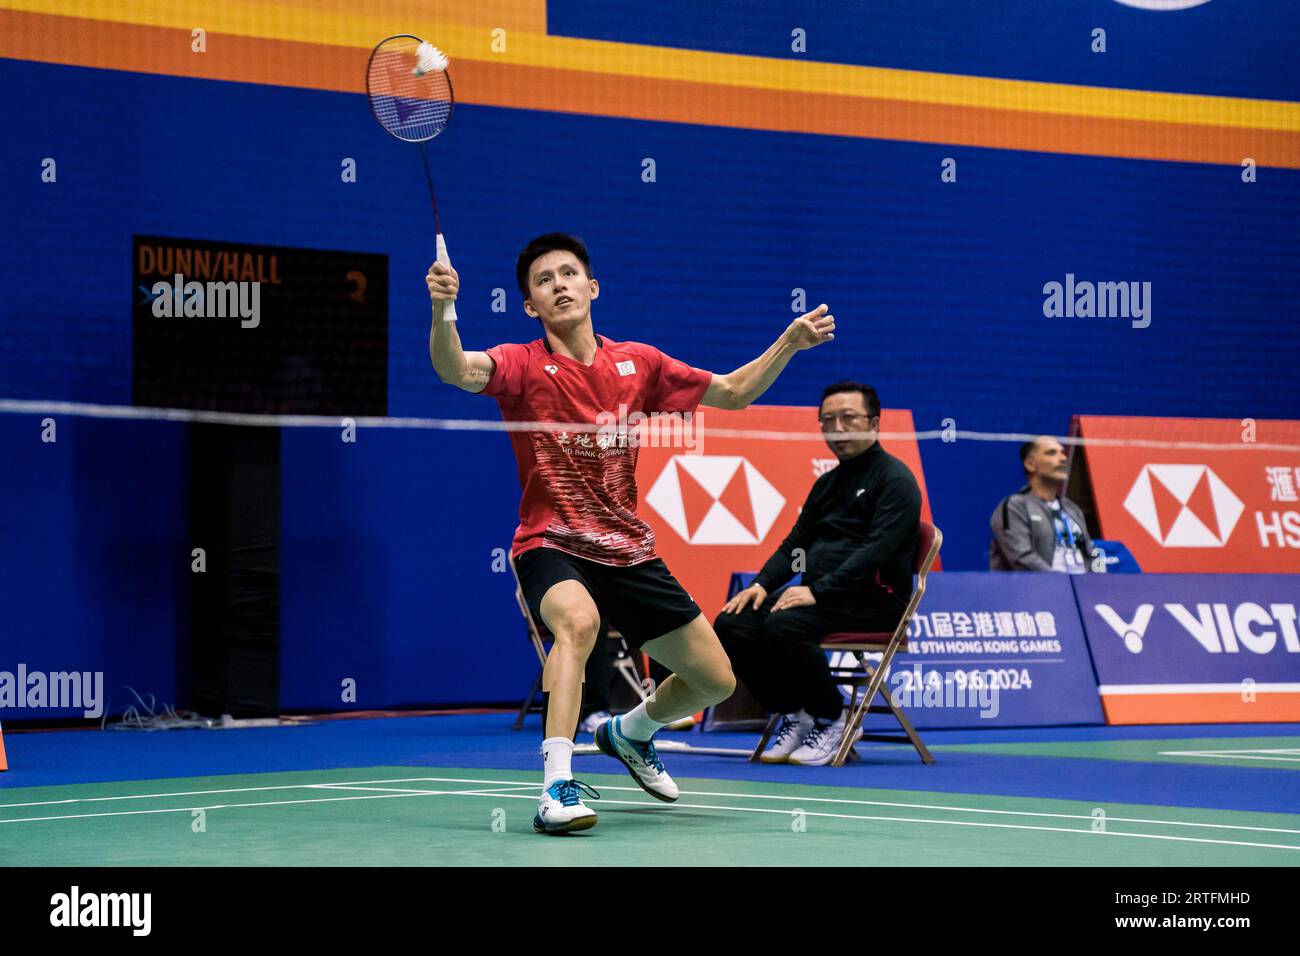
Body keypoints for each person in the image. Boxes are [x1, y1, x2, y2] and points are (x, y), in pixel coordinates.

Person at [427, 232, 836, 832]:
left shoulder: (638, 364)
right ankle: (556, 785)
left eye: (569, 274)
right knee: (578, 623)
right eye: (544, 281)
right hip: (552, 541)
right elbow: (454, 369)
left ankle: (630, 732)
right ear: (530, 307)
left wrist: (789, 343)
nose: (559, 284)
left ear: (593, 288)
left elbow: (733, 393)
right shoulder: (521, 364)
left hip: (627, 548)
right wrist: (444, 309)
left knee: (715, 680)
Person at [714, 382, 921, 766]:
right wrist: (762, 584)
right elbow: (797, 546)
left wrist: (818, 591)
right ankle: (796, 712)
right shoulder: (827, 484)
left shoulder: (895, 481)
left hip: (875, 602)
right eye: (828, 420)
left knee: (784, 627)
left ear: (874, 423)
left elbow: (875, 552)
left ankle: (832, 715)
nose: (837, 428)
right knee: (733, 623)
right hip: (822, 598)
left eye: (849, 418)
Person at [988, 436, 1095, 573]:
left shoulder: (1072, 509)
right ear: (1030, 464)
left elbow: (1091, 554)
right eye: (1051, 453)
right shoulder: (1015, 506)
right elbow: (1022, 559)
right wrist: (1063, 584)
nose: (1063, 458)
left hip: (1080, 591)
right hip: (1038, 591)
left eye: (1062, 452)